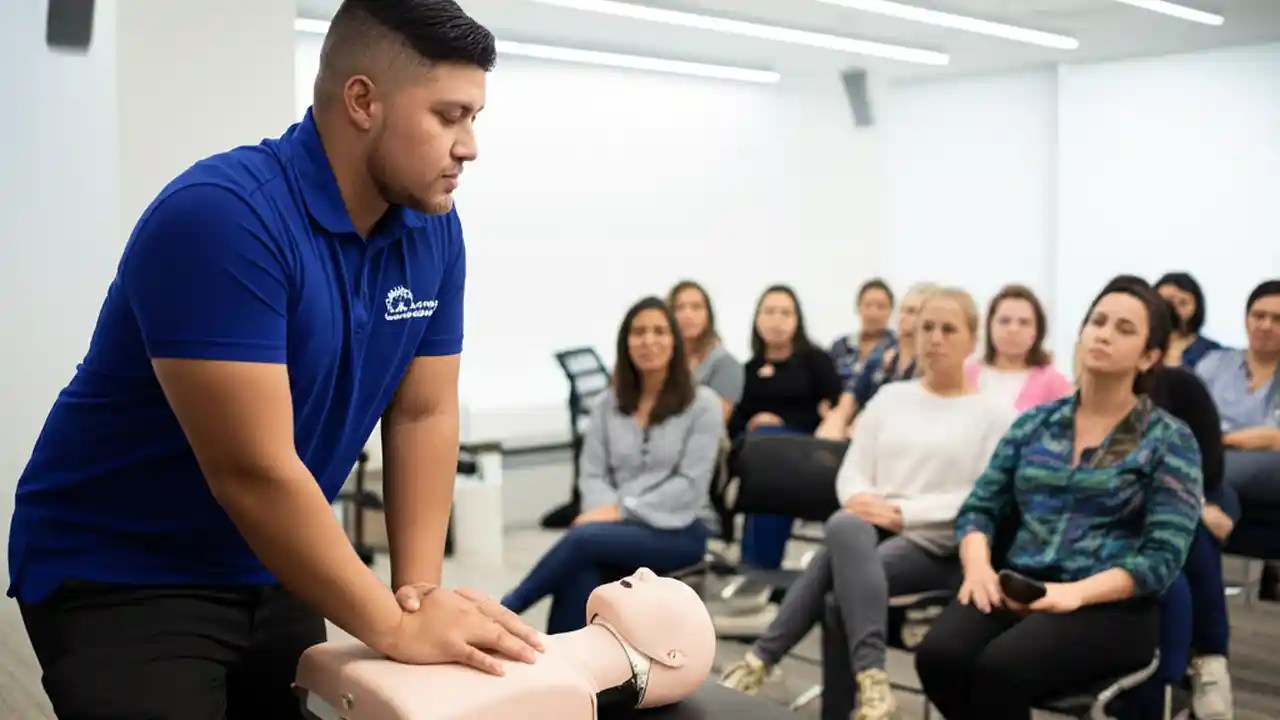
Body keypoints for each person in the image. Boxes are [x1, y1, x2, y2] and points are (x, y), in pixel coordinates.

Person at [6, 3, 543, 718]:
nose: (469, 145)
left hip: (274, 555)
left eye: (475, 117)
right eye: (449, 116)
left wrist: (418, 595)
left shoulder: (432, 230)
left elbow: (423, 411)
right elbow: (252, 471)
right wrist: (390, 626)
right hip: (125, 569)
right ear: (362, 101)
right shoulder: (222, 219)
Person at [720, 288, 1015, 720]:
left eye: (948, 329)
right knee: (844, 529)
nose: (935, 338)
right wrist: (863, 501)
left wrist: (902, 513)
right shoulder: (891, 398)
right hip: (867, 528)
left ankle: (764, 662)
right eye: (927, 327)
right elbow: (853, 468)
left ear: (972, 339)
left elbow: (982, 494)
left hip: (937, 543)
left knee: (841, 584)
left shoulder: (994, 413)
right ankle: (874, 689)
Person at [915, 281, 1203, 720]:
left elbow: (1161, 559)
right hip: (1021, 584)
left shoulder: (1170, 440)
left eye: (1124, 329)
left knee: (1001, 669)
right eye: (1098, 321)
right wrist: (977, 568)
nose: (1103, 334)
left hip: (1110, 606)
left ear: (1149, 356)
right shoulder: (1036, 424)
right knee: (938, 655)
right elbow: (980, 508)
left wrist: (1073, 594)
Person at [502, 298, 723, 633]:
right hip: (612, 533)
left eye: (660, 331)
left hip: (678, 530)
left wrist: (620, 511)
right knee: (580, 572)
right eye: (639, 332)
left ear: (675, 342)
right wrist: (606, 513)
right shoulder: (609, 402)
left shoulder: (703, 404)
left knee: (583, 541)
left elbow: (689, 486)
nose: (649, 340)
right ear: (625, 342)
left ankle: (506, 610)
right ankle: (567, 669)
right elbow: (592, 473)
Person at [728, 285, 844, 571]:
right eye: (769, 312)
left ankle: (757, 568)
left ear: (797, 321)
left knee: (770, 458)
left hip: (805, 452)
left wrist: (782, 425)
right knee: (763, 454)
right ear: (757, 319)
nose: (776, 320)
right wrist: (755, 422)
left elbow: (836, 411)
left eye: (785, 313)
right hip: (759, 455)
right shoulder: (748, 369)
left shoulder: (816, 361)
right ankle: (756, 568)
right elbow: (735, 422)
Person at [1195, 279, 1280, 600]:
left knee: (1216, 474)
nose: (1266, 325)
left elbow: (1276, 440)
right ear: (1246, 318)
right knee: (1216, 482)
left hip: (1268, 468)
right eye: (1259, 315)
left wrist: (1225, 439)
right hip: (1214, 461)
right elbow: (1191, 422)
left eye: (1277, 319)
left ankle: (1199, 503)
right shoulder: (1214, 364)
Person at [817, 282, 937, 441]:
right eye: (903, 310)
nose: (904, 318)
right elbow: (852, 397)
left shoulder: (931, 367)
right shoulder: (879, 358)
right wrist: (836, 421)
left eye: (914, 312)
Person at [965, 284, 1072, 412]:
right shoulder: (965, 375)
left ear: (1037, 331)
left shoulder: (1054, 384)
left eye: (1024, 323)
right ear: (989, 326)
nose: (1013, 329)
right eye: (1004, 321)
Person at [668, 279, 744, 422]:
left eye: (696, 307)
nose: (687, 315)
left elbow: (716, 419)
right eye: (679, 308)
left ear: (708, 315)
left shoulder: (724, 363)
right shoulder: (659, 360)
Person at [829, 278, 897, 385]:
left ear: (891, 311)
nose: (873, 313)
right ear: (858, 308)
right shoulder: (840, 346)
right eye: (868, 305)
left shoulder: (897, 348)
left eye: (881, 307)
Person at [1156, 272, 1223, 369]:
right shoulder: (1139, 347)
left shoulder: (1213, 353)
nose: (1175, 309)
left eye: (1183, 303)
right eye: (1167, 302)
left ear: (1196, 307)